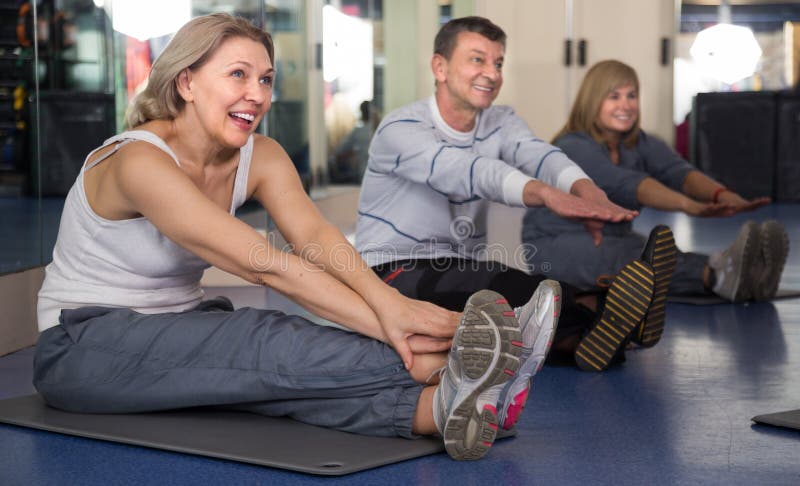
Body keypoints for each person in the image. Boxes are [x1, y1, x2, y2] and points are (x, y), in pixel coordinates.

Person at [32, 13, 562, 461]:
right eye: (237, 75)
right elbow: (264, 263)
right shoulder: (137, 161)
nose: (257, 94)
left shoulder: (258, 155)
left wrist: (388, 303)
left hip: (176, 327)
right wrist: (398, 326)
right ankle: (457, 364)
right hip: (85, 344)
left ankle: (441, 409)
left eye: (265, 79)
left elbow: (314, 236)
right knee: (262, 341)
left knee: (269, 383)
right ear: (185, 83)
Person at [355, 16, 665, 372]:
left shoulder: (500, 121)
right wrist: (546, 195)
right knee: (502, 288)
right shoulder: (401, 128)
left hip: (458, 264)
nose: (492, 73)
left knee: (515, 285)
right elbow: (467, 171)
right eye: (477, 59)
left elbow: (537, 153)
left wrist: (586, 190)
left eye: (498, 63)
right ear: (439, 67)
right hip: (388, 272)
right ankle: (599, 315)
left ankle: (589, 334)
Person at [521, 59, 789, 303]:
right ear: (592, 102)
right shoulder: (574, 145)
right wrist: (690, 207)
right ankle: (720, 276)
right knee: (633, 259)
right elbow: (628, 182)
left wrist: (723, 196)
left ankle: (730, 271)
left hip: (612, 238)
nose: (625, 105)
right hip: (553, 245)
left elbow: (679, 172)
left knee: (652, 250)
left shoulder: (638, 143)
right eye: (614, 97)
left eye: (631, 96)